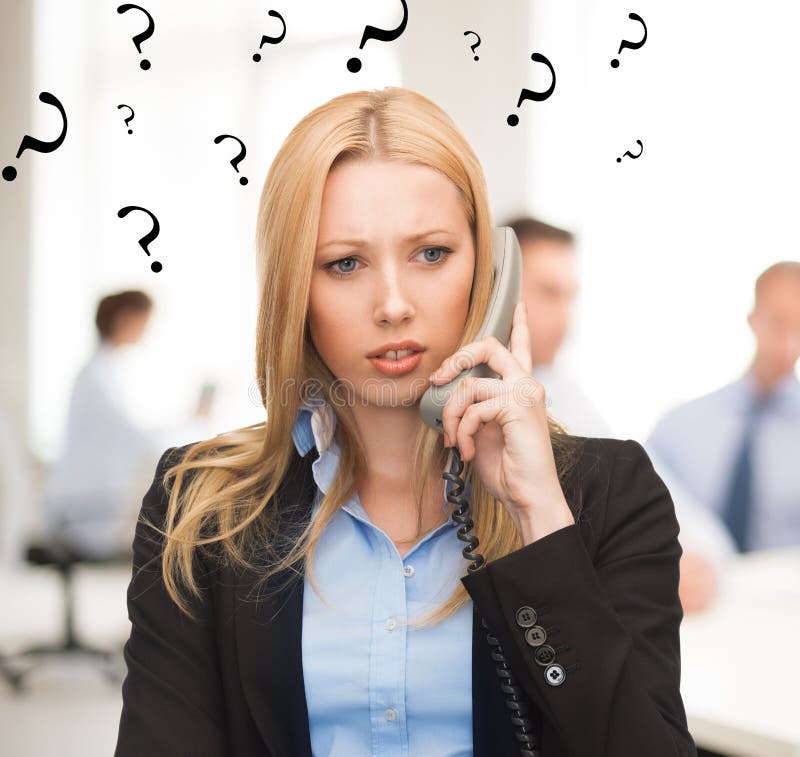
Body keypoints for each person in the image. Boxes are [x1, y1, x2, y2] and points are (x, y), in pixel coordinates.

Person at [115, 87, 695, 756]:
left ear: (492, 268)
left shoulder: (608, 493)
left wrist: (539, 518)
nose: (393, 304)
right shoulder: (201, 502)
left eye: (431, 254)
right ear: (293, 288)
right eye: (344, 263)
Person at [646, 261, 800, 606]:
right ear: (753, 319)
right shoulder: (680, 427)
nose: (788, 345)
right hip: (694, 613)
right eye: (778, 323)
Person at [41, 290, 213, 559]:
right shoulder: (96, 377)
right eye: (143, 320)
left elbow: (134, 437)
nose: (146, 329)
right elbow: (138, 442)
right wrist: (191, 424)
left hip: (94, 502)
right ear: (124, 319)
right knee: (190, 536)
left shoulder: (106, 371)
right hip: (86, 510)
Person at [501, 216, 613, 437]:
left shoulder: (568, 397)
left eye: (570, 297)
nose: (565, 319)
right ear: (500, 288)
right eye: (549, 292)